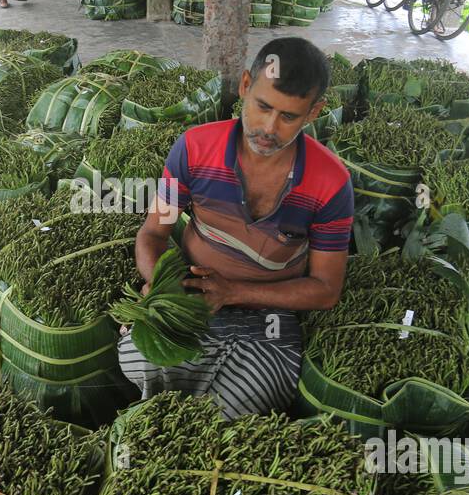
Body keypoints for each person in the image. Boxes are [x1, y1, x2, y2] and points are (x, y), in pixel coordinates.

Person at [117, 37, 354, 419]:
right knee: (141, 360)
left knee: (248, 399)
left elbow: (326, 290)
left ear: (314, 112)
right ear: (245, 86)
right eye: (262, 106)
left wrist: (232, 292)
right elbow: (153, 233)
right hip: (190, 295)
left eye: (289, 117)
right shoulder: (195, 147)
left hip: (269, 314)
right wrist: (162, 285)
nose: (269, 128)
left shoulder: (331, 182)